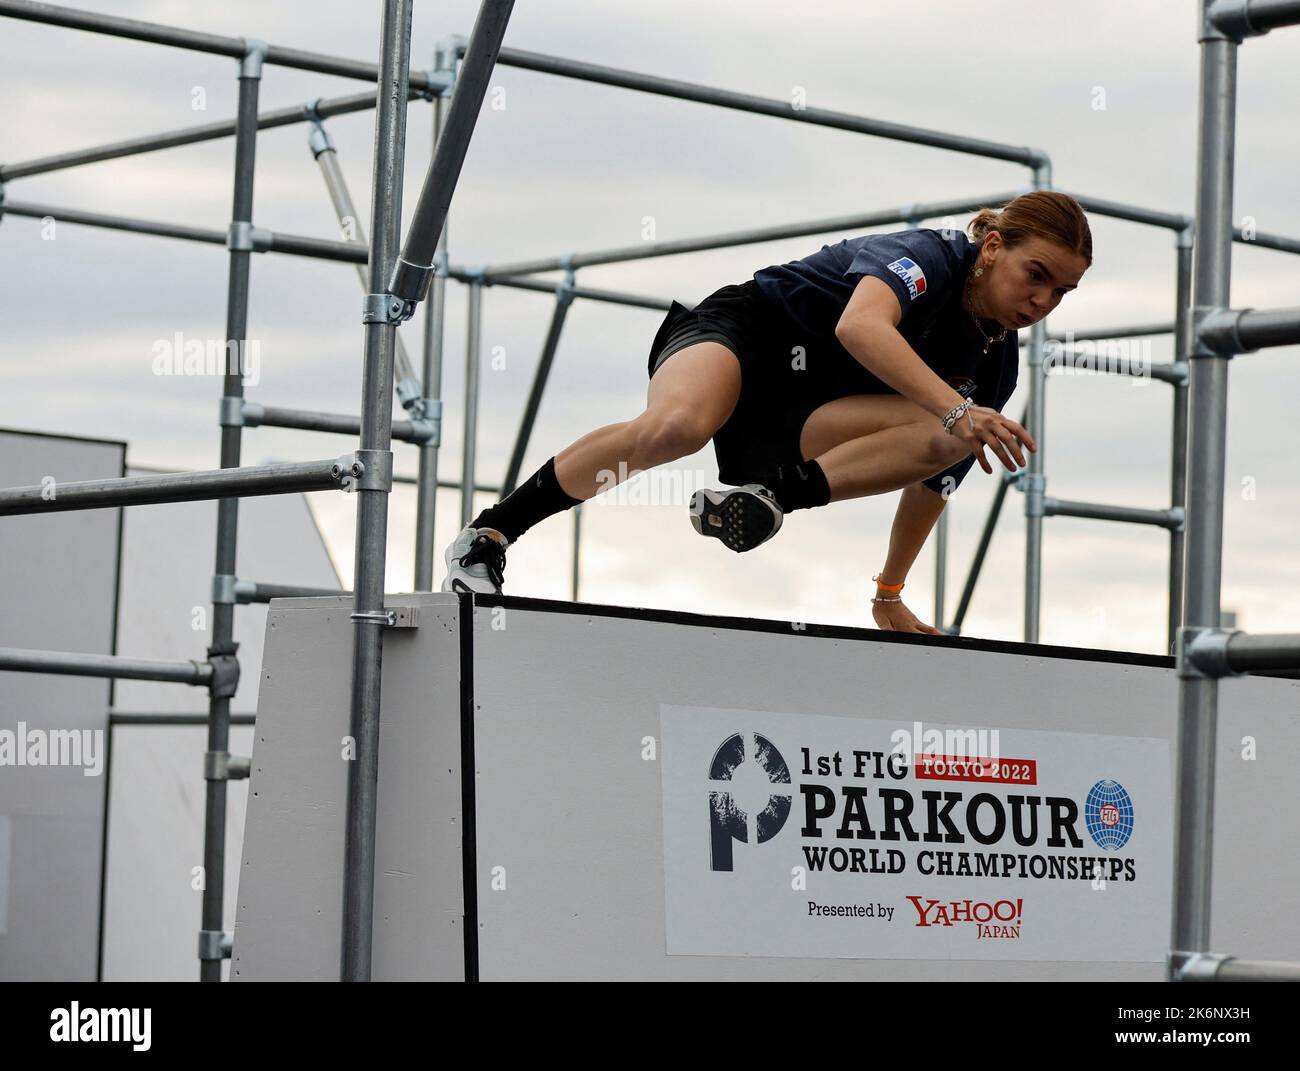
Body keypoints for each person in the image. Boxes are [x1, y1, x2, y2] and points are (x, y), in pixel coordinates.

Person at [442, 190, 1092, 632]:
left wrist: (890, 591)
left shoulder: (993, 364)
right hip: (746, 337)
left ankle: (768, 495)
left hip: (801, 413)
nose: (1042, 300)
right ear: (992, 247)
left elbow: (934, 481)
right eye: (1035, 274)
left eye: (1061, 291)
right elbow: (860, 326)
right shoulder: (930, 257)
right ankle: (492, 532)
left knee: (954, 437)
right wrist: (957, 412)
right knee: (678, 428)